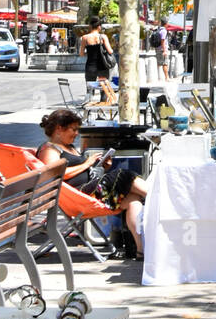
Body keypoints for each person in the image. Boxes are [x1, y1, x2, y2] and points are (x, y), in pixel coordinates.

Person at [36, 108, 149, 257]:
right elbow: (53, 175)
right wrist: (86, 164)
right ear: (59, 129)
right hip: (79, 196)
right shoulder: (49, 149)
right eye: (73, 129)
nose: (77, 134)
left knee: (133, 200)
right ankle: (160, 198)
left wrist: (102, 166)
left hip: (89, 191)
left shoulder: (68, 147)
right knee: (124, 175)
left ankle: (141, 250)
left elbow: (81, 171)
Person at [80, 15, 116, 99]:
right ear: (99, 27)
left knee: (90, 89)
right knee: (104, 88)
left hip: (90, 66)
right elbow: (110, 51)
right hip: (102, 66)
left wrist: (89, 52)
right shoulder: (103, 37)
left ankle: (89, 104)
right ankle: (103, 104)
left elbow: (81, 54)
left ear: (90, 26)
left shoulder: (85, 38)